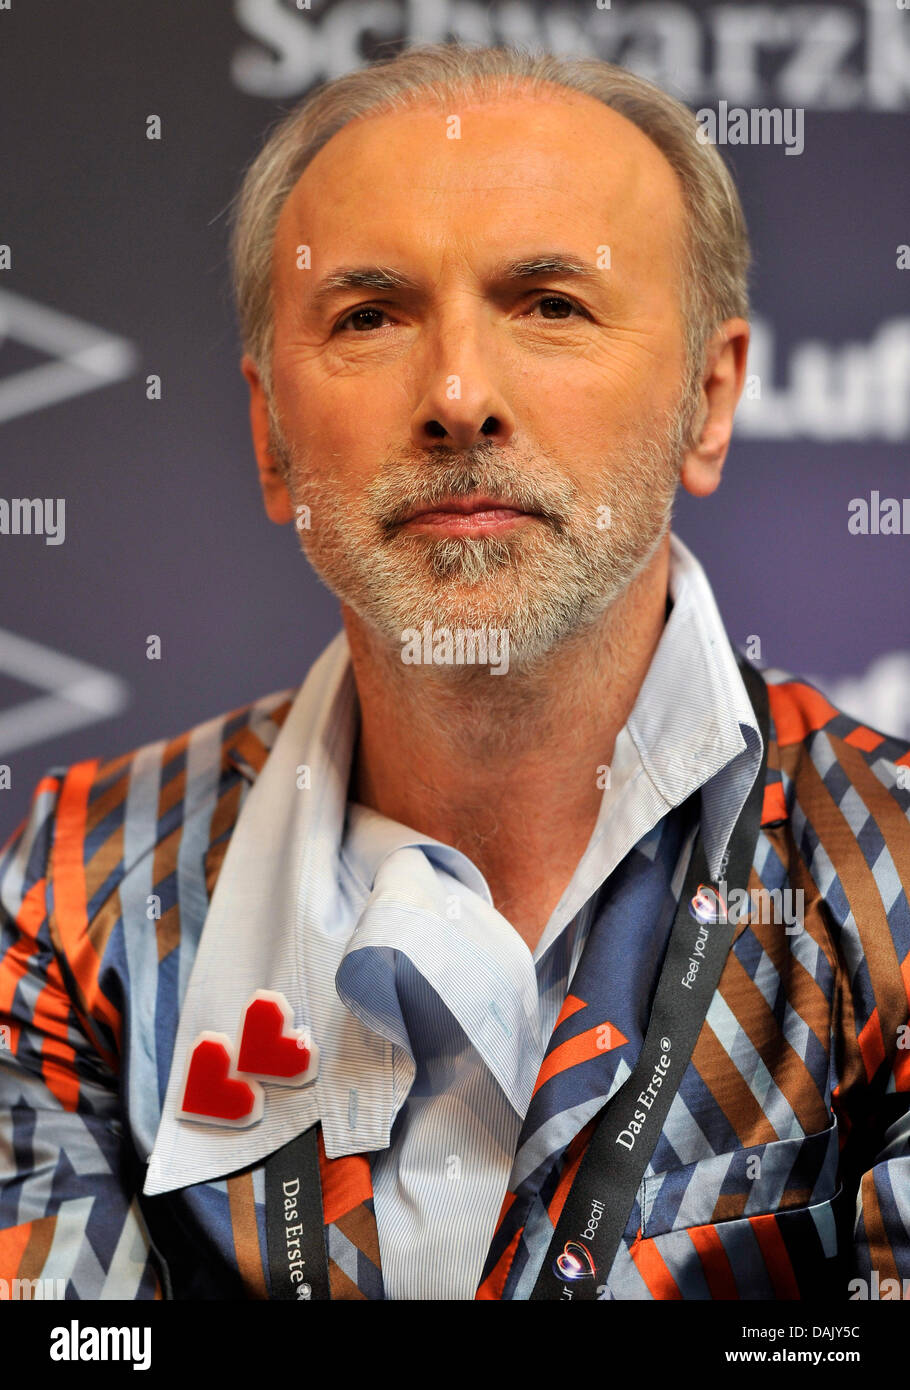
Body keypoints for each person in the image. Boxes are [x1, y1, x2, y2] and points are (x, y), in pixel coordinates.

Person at [1, 41, 908, 1302]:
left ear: (707, 400)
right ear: (269, 435)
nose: (458, 395)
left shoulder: (894, 874)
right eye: (369, 314)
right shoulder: (68, 893)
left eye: (550, 303)